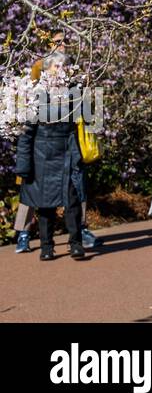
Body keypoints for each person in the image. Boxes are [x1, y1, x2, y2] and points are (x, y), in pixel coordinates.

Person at [15, 80, 87, 261]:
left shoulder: (75, 91)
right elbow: (25, 135)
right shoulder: (35, 95)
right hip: (42, 158)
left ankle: (76, 243)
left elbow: (93, 119)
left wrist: (86, 94)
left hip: (69, 154)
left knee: (73, 202)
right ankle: (46, 246)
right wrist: (23, 166)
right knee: (45, 206)